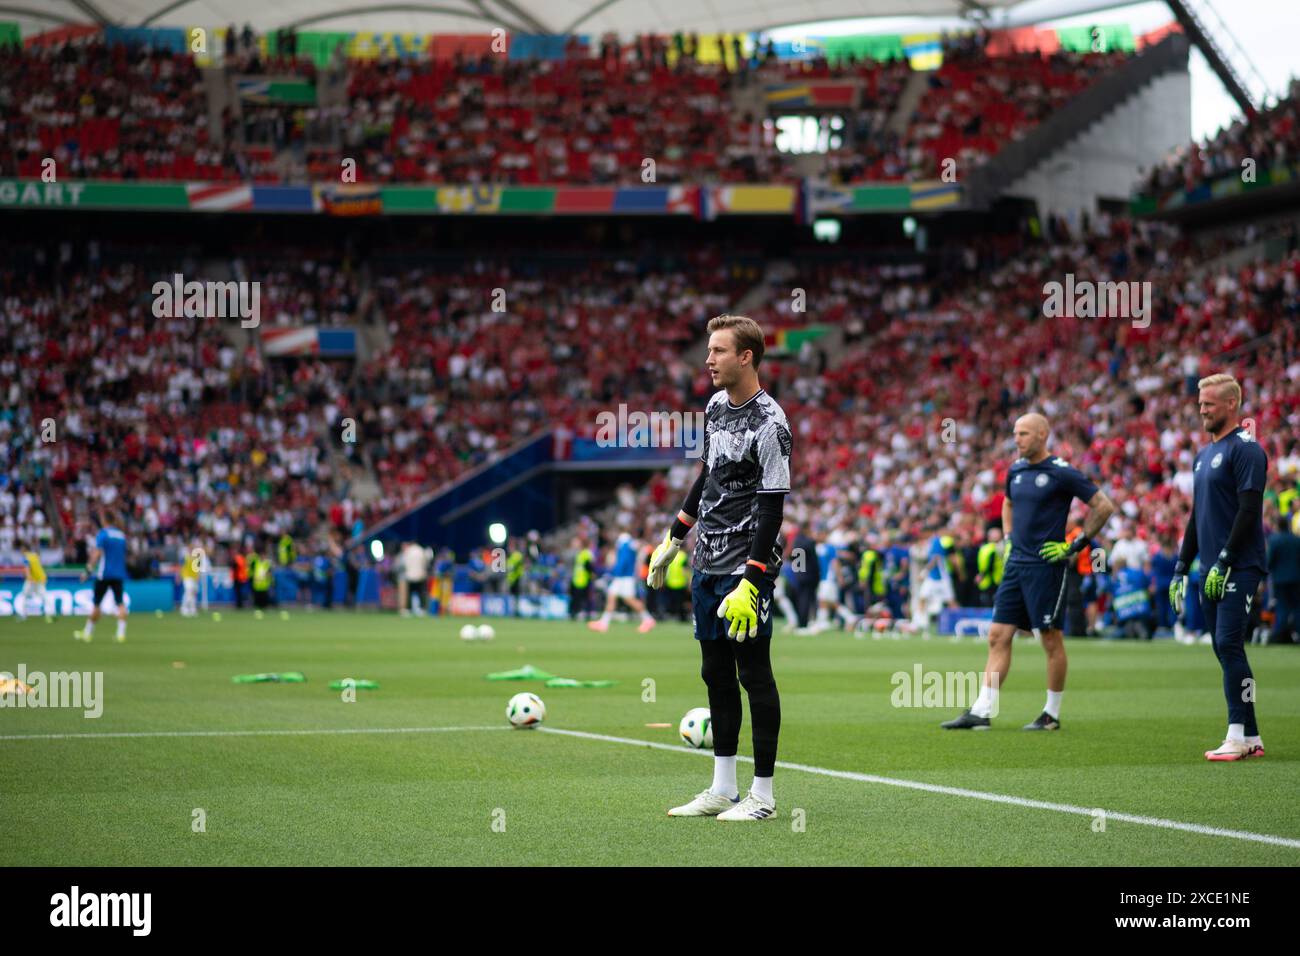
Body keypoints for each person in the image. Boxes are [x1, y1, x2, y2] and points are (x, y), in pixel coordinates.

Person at [647, 314, 791, 821]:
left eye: (718, 351)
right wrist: (674, 535)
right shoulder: (713, 407)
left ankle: (764, 798)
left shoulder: (772, 423)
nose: (708, 360)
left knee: (754, 673)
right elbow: (706, 476)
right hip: (706, 561)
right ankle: (723, 788)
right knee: (714, 674)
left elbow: (773, 505)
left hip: (744, 567)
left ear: (746, 357)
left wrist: (752, 580)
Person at [942, 413, 1115, 730]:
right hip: (1015, 566)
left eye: (1023, 433)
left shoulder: (1062, 472)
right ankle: (982, 711)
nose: (1017, 439)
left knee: (1049, 640)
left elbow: (1103, 505)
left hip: (1046, 568)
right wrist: (1008, 539)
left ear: (1042, 435)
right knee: (997, 636)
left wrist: (1074, 544)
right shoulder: (1016, 470)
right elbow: (1008, 504)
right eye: (1015, 433)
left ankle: (1051, 714)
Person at [1170, 374, 1268, 760]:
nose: (1201, 410)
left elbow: (1249, 510)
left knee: (1229, 644)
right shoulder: (1202, 455)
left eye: (1208, 404)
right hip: (1210, 567)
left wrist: (1226, 559)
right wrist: (1181, 565)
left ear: (1231, 404)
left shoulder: (1246, 449)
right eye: (1200, 403)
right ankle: (1254, 735)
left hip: (1238, 565)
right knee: (1224, 649)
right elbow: (1198, 517)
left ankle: (1236, 734)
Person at [78, 510, 131, 644]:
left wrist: (87, 571)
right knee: (120, 603)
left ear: (104, 520)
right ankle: (121, 634)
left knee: (96, 604)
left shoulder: (103, 534)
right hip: (119, 573)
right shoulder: (121, 535)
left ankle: (88, 633)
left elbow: (97, 554)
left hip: (104, 574)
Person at [587, 530, 655, 632]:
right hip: (624, 577)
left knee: (629, 599)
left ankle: (648, 619)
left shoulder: (624, 546)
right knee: (611, 596)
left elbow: (623, 562)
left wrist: (612, 572)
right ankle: (604, 623)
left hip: (624, 578)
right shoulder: (629, 545)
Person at [1266, 510, 1300, 644]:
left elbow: (1269, 561)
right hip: (1297, 578)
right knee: (1297, 606)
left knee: (1282, 606)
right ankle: (1297, 633)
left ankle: (1280, 634)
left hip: (1279, 579)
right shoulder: (1296, 540)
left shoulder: (1274, 540)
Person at [15, 539, 46, 621]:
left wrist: (29, 577)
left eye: (21, 549)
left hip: (31, 580)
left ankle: (23, 615)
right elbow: (39, 566)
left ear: (24, 549)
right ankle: (49, 613)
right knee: (43, 596)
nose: (20, 550)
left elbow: (27, 569)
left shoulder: (26, 557)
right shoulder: (34, 555)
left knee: (24, 596)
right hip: (39, 579)